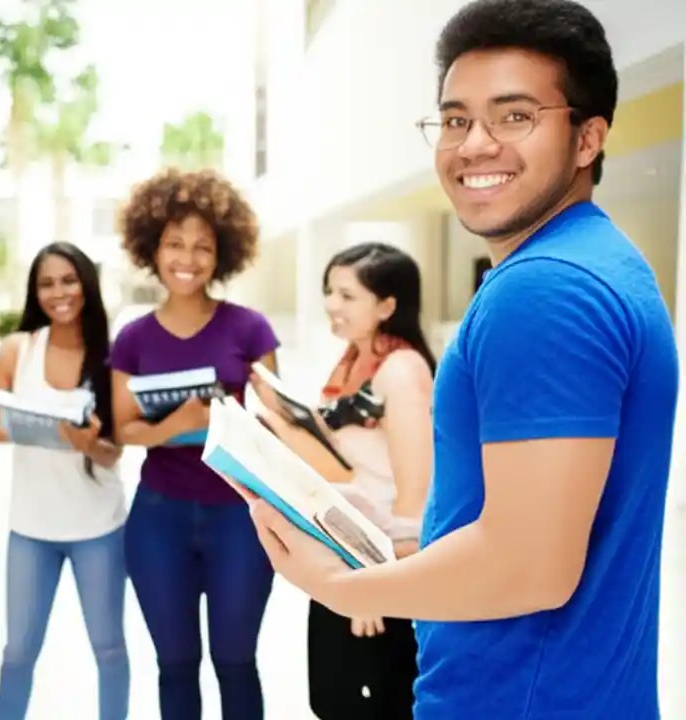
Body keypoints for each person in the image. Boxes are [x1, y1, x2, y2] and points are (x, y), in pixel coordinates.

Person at [231, 2, 677, 718]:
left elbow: (530, 567)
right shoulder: (602, 261)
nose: (474, 145)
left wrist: (341, 586)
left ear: (588, 136)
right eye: (457, 118)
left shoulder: (544, 290)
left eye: (515, 116)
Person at [110, 168, 280, 719]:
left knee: (236, 663)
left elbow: (276, 427)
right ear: (151, 249)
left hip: (239, 513)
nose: (188, 258)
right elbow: (123, 430)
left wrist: (232, 420)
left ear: (222, 254)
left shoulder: (249, 329)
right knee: (176, 665)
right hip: (159, 517)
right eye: (174, 244)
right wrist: (178, 421)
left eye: (203, 247)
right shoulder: (133, 339)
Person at [251, 242, 435, 719]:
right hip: (345, 552)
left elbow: (413, 500)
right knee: (332, 700)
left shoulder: (403, 371)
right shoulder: (352, 363)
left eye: (347, 295)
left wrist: (371, 584)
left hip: (382, 564)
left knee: (378, 703)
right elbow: (349, 463)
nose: (332, 304)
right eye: (330, 291)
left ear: (387, 306)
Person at [0, 242, 129, 720]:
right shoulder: (17, 348)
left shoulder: (111, 354)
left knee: (108, 649)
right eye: (46, 283)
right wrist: (41, 429)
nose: (58, 292)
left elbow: (113, 451)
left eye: (68, 280)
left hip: (98, 528)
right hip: (31, 528)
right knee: (18, 652)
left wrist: (84, 445)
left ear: (87, 283)